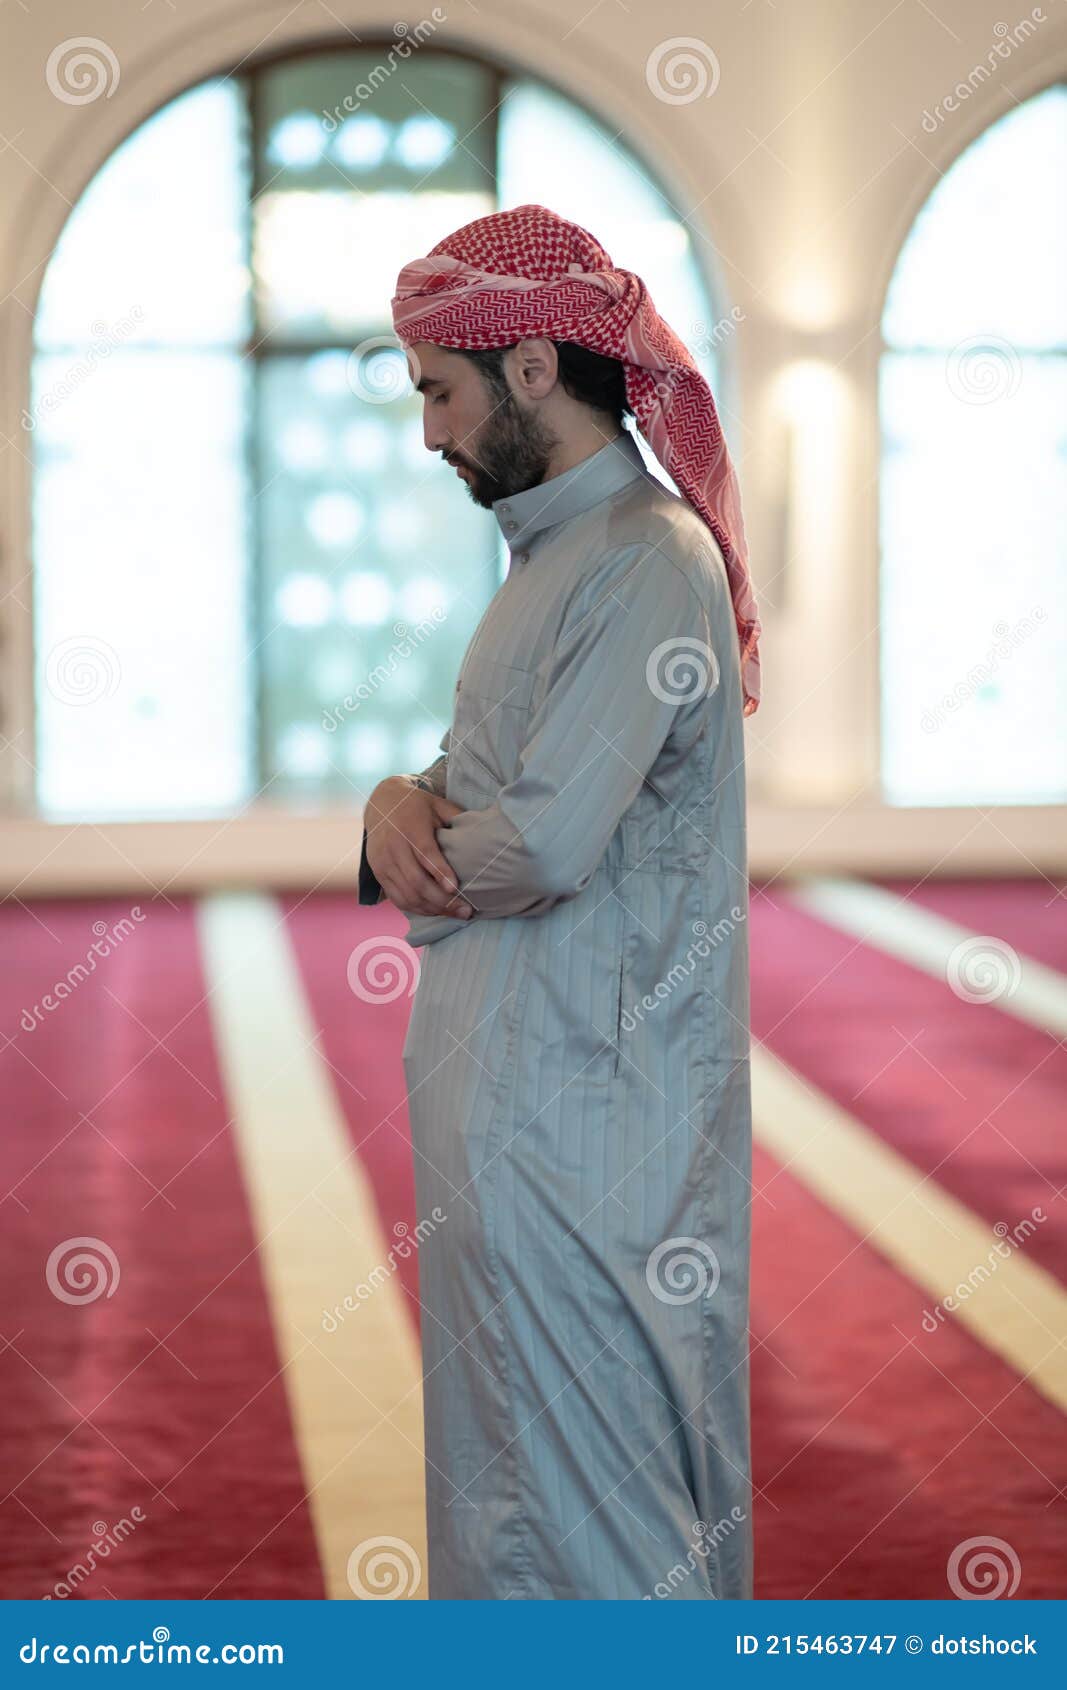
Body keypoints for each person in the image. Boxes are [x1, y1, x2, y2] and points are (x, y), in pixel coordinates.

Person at [357, 204, 761, 1600]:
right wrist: (395, 798)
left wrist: (415, 832)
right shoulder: (556, 558)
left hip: (589, 1125)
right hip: (519, 1113)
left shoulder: (647, 560)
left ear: (533, 366)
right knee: (515, 1488)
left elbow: (538, 839)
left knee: (605, 1514)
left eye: (438, 391)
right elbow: (486, 779)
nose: (429, 434)